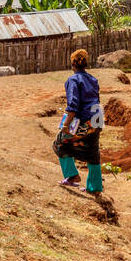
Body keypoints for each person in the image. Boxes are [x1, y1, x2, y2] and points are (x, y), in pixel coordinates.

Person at [54, 49, 103, 193]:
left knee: (59, 144)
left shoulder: (73, 80)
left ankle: (71, 176)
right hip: (97, 119)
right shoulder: (93, 79)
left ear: (73, 65)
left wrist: (66, 124)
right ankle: (95, 188)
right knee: (93, 152)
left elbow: (73, 105)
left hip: (84, 120)